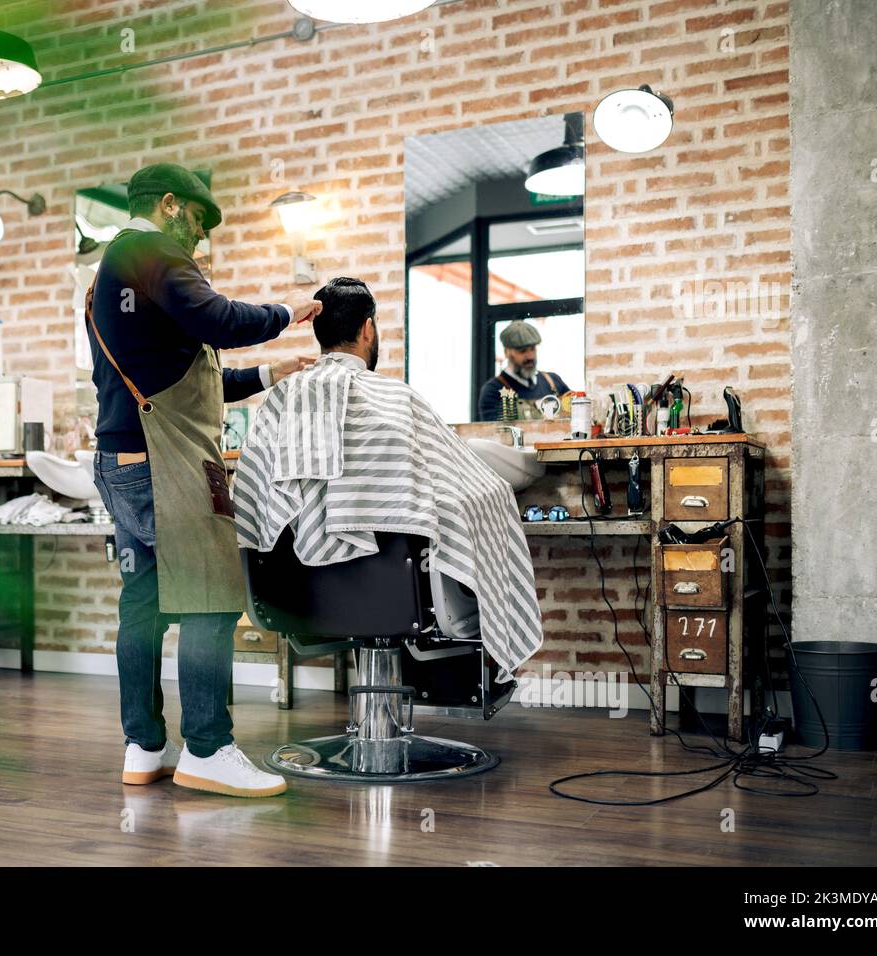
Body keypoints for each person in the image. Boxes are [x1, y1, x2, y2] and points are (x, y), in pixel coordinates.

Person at [86, 162, 319, 798]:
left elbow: (184, 380)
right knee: (212, 599)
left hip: (124, 460)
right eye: (198, 220)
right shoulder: (152, 250)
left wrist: (273, 375)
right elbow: (218, 320)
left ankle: (144, 747)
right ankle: (209, 751)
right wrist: (285, 312)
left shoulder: (114, 267)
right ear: (169, 205)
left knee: (143, 603)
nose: (200, 238)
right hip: (168, 465)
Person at [233, 278, 543, 684]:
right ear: (367, 329)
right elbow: (480, 490)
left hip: (299, 597)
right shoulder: (398, 400)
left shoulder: (279, 401)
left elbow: (254, 510)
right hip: (401, 600)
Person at [478, 320, 570, 419]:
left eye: (533, 349)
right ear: (506, 352)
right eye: (522, 351)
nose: (530, 356)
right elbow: (495, 432)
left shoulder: (553, 382)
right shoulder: (494, 391)